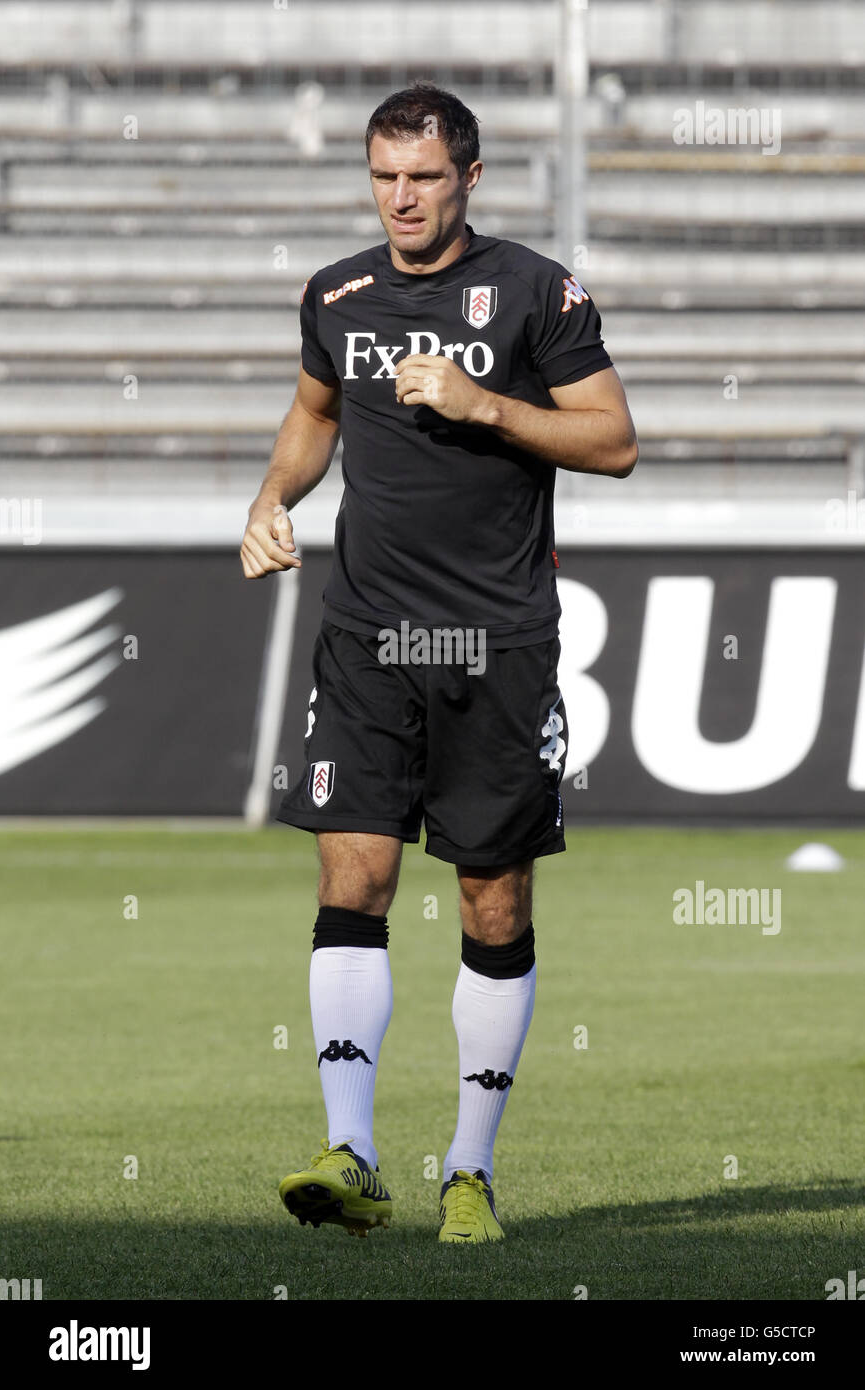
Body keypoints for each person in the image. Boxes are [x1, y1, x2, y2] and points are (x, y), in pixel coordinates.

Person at [240, 82, 637, 1243]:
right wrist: (272, 497)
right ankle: (351, 1150)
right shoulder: (339, 294)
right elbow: (312, 413)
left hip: (495, 644)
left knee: (490, 897)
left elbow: (611, 440)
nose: (400, 198)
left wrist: (483, 404)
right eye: (382, 177)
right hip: (364, 640)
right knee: (348, 877)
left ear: (468, 176)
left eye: (422, 177)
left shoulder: (534, 292)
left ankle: (467, 1167)